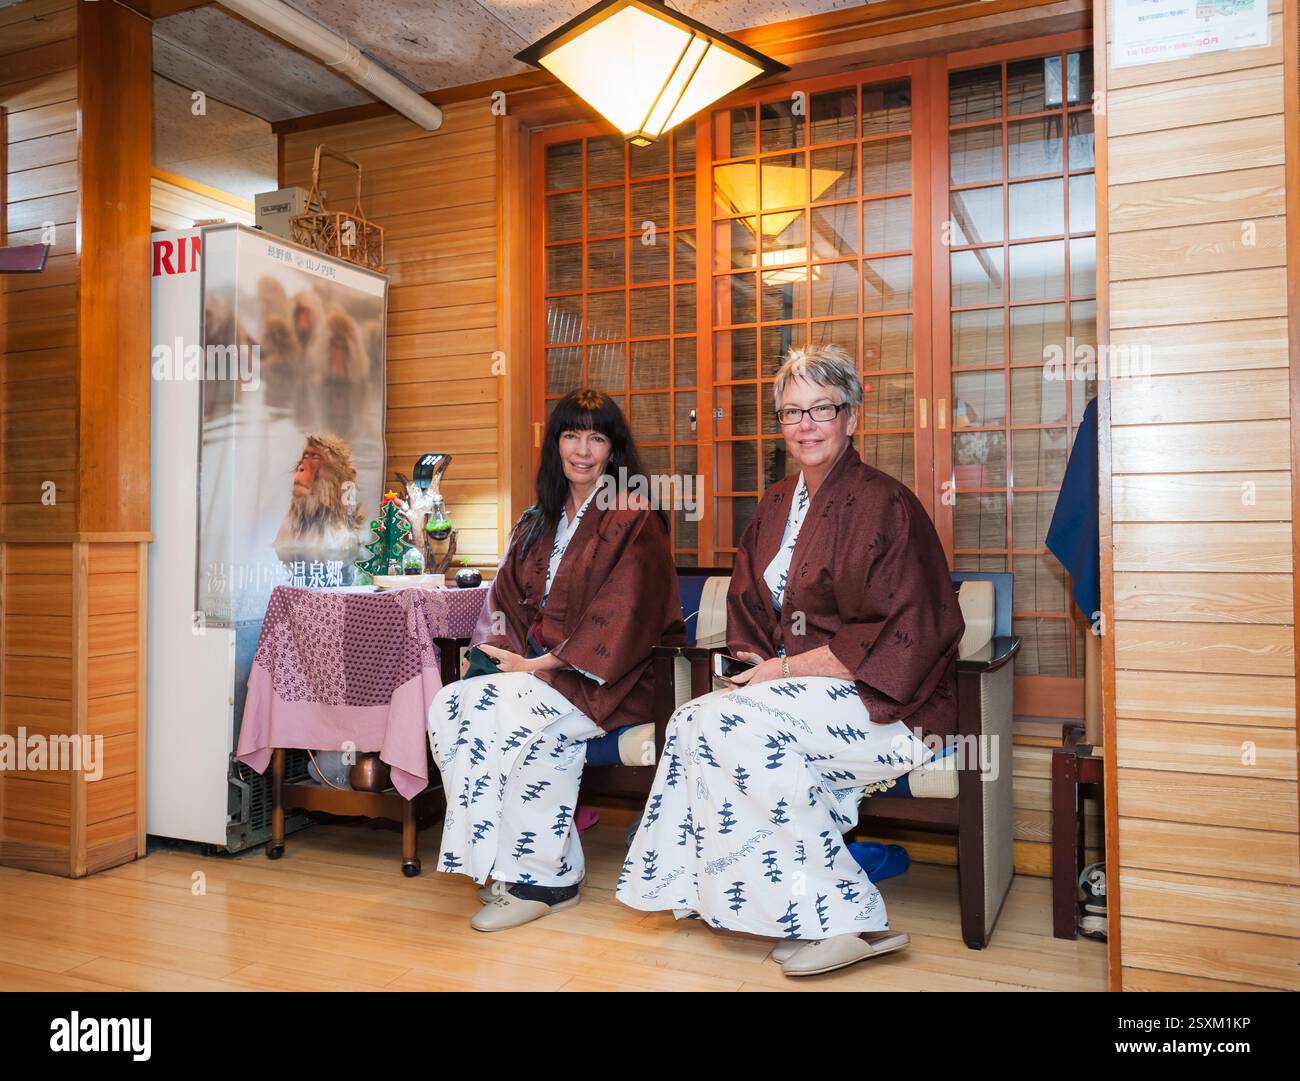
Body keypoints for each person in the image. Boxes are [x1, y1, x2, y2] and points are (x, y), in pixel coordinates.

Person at [617, 344, 965, 977]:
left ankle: (850, 918)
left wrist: (782, 671)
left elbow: (912, 626)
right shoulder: (776, 505)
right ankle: (757, 899)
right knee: (698, 719)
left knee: (722, 723)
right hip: (795, 701)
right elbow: (753, 619)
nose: (806, 425)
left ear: (852, 416)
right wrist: (754, 668)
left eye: (822, 409)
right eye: (791, 413)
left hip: (888, 705)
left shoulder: (887, 504)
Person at [428, 388, 683, 932]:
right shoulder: (538, 518)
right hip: (538, 675)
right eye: (571, 435)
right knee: (453, 704)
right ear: (555, 444)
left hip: (613, 678)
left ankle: (540, 878)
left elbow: (626, 614)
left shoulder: (635, 516)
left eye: (597, 436)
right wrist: (505, 656)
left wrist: (541, 666)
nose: (583, 449)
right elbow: (505, 603)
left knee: (516, 713)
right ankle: (531, 867)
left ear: (614, 449)